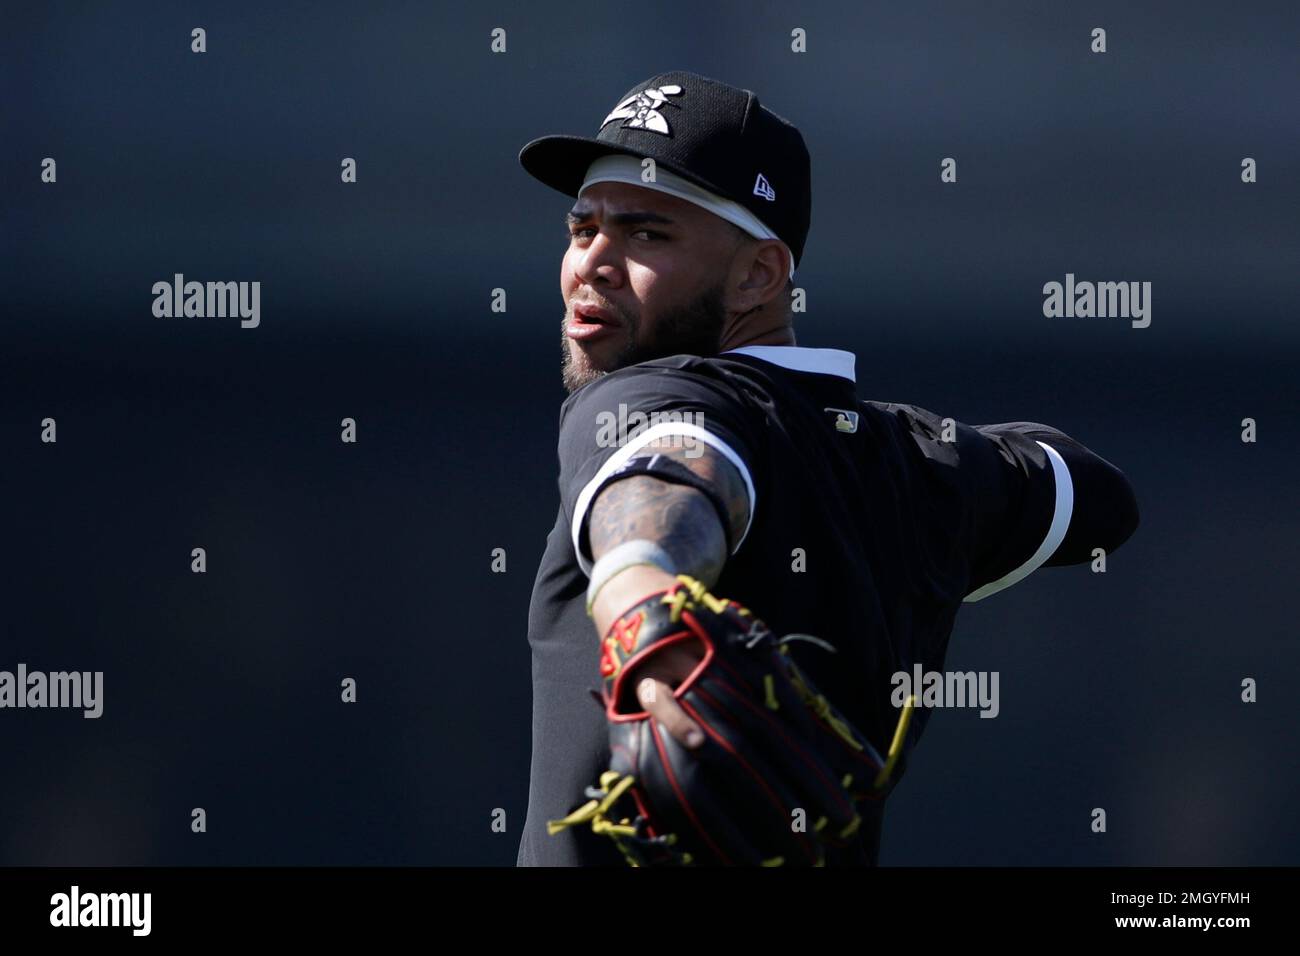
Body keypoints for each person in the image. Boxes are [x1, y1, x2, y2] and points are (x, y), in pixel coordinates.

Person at [515, 70, 1139, 866]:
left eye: (646, 234)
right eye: (582, 228)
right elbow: (1099, 498)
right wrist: (946, 463)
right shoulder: (917, 464)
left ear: (760, 276)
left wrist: (642, 595)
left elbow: (669, 467)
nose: (592, 264)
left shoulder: (653, 391)